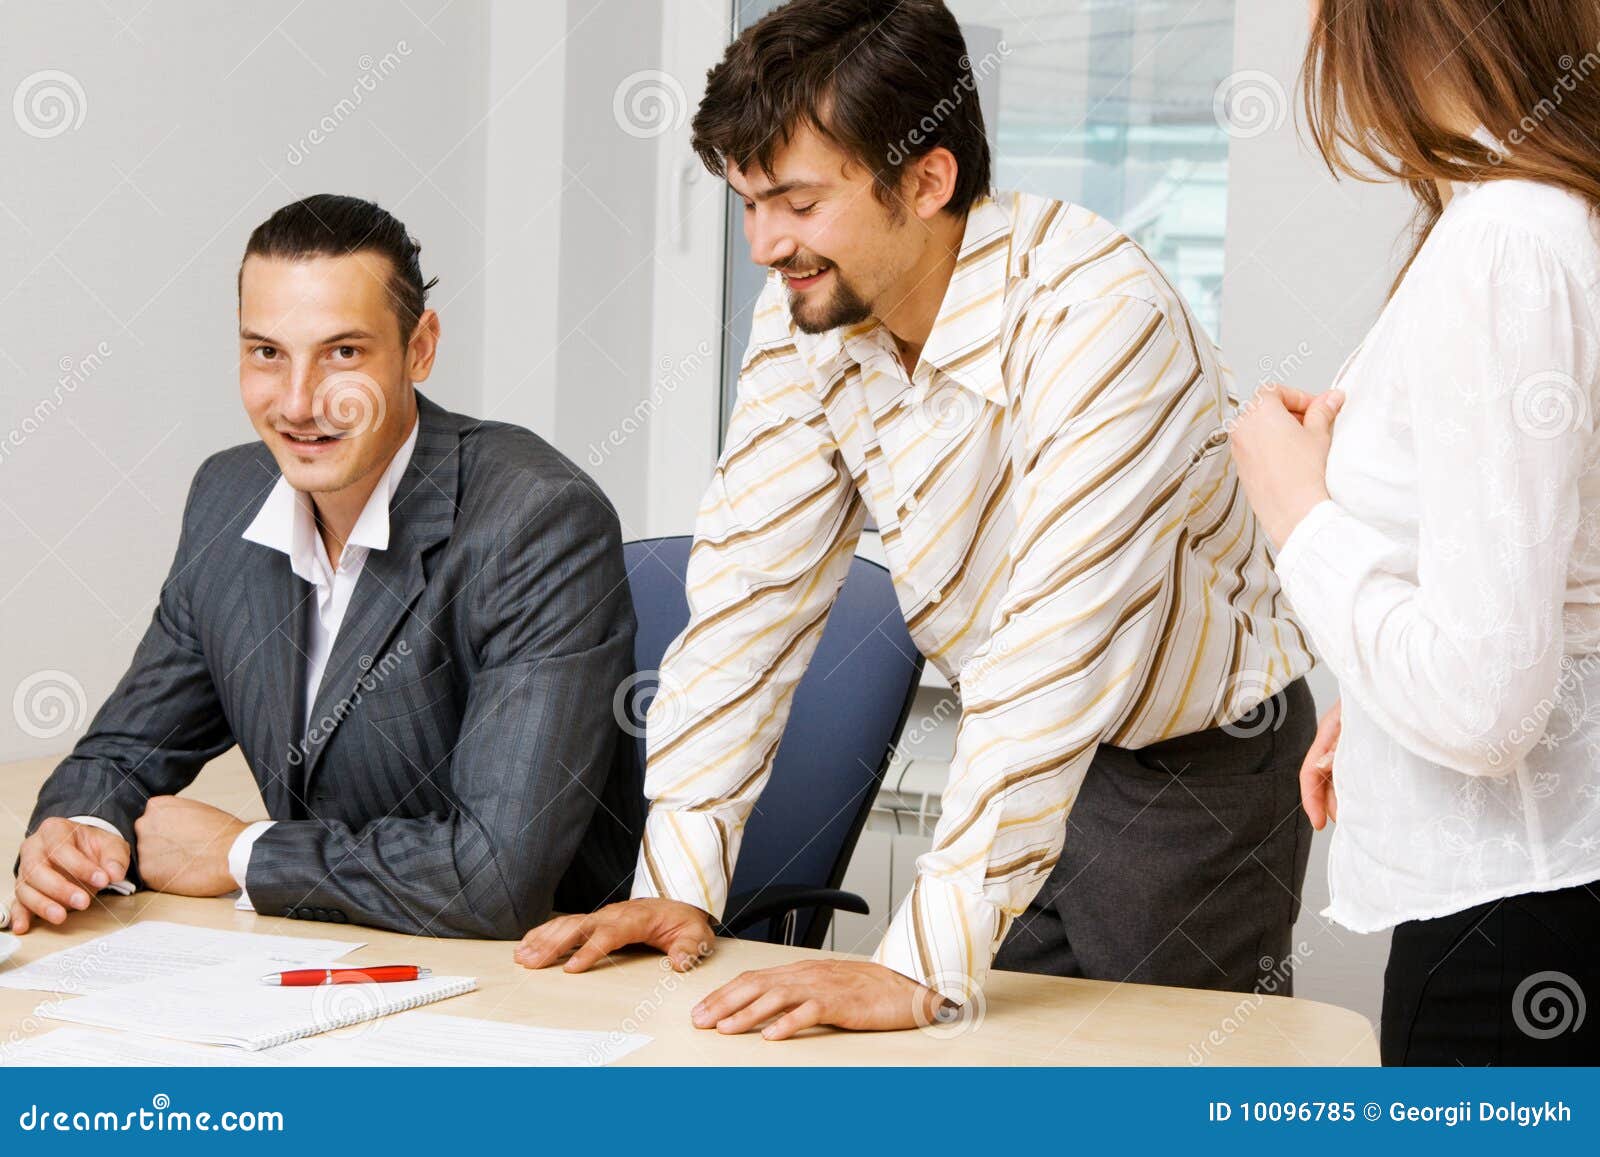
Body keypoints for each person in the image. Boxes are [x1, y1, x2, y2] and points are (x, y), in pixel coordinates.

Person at [517, 0, 1318, 1040]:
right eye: (746, 202)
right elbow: (748, 603)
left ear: (926, 179)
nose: (765, 244)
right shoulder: (815, 307)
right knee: (978, 1080)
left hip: (1185, 774)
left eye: (796, 201)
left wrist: (918, 965)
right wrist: (681, 880)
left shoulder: (1096, 313)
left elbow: (1056, 648)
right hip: (1013, 749)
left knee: (1159, 1094)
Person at [11, 194, 641, 939]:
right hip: (316, 958)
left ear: (420, 347)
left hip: (534, 985)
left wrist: (241, 852)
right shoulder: (228, 498)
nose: (300, 403)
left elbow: (497, 876)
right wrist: (77, 830)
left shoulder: (537, 519)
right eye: (266, 353)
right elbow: (124, 751)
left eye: (343, 352)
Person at [1230, 0, 1600, 1065]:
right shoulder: (1550, 213)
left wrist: (1296, 508)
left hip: (1514, 936)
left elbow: (1488, 709)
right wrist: (1388, 699)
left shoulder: (1504, 243)